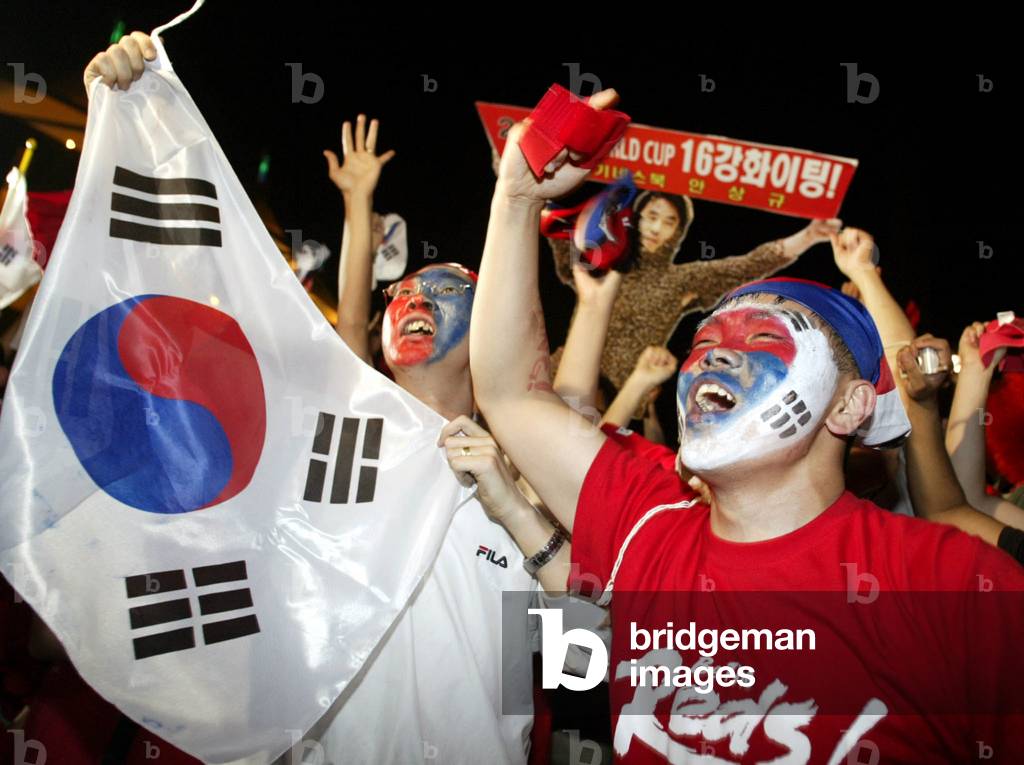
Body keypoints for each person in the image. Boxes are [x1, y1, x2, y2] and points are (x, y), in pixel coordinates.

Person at [470, 88, 1024, 762]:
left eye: (763, 336)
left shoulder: (951, 583)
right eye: (705, 339)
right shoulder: (648, 524)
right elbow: (510, 394)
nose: (718, 350)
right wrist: (518, 200)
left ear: (849, 406)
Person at [82, 33, 554, 765]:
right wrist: (131, 110)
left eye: (444, 288)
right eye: (404, 290)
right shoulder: (348, 437)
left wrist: (523, 523)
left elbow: (584, 647)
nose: (415, 298)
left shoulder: (526, 478)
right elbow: (351, 328)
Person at [547, 182, 842, 389]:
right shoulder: (604, 260)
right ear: (635, 220)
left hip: (613, 401)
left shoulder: (682, 280)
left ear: (678, 232)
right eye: (650, 217)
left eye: (668, 221)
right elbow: (558, 231)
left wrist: (807, 237)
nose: (656, 228)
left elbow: (747, 264)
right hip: (557, 376)